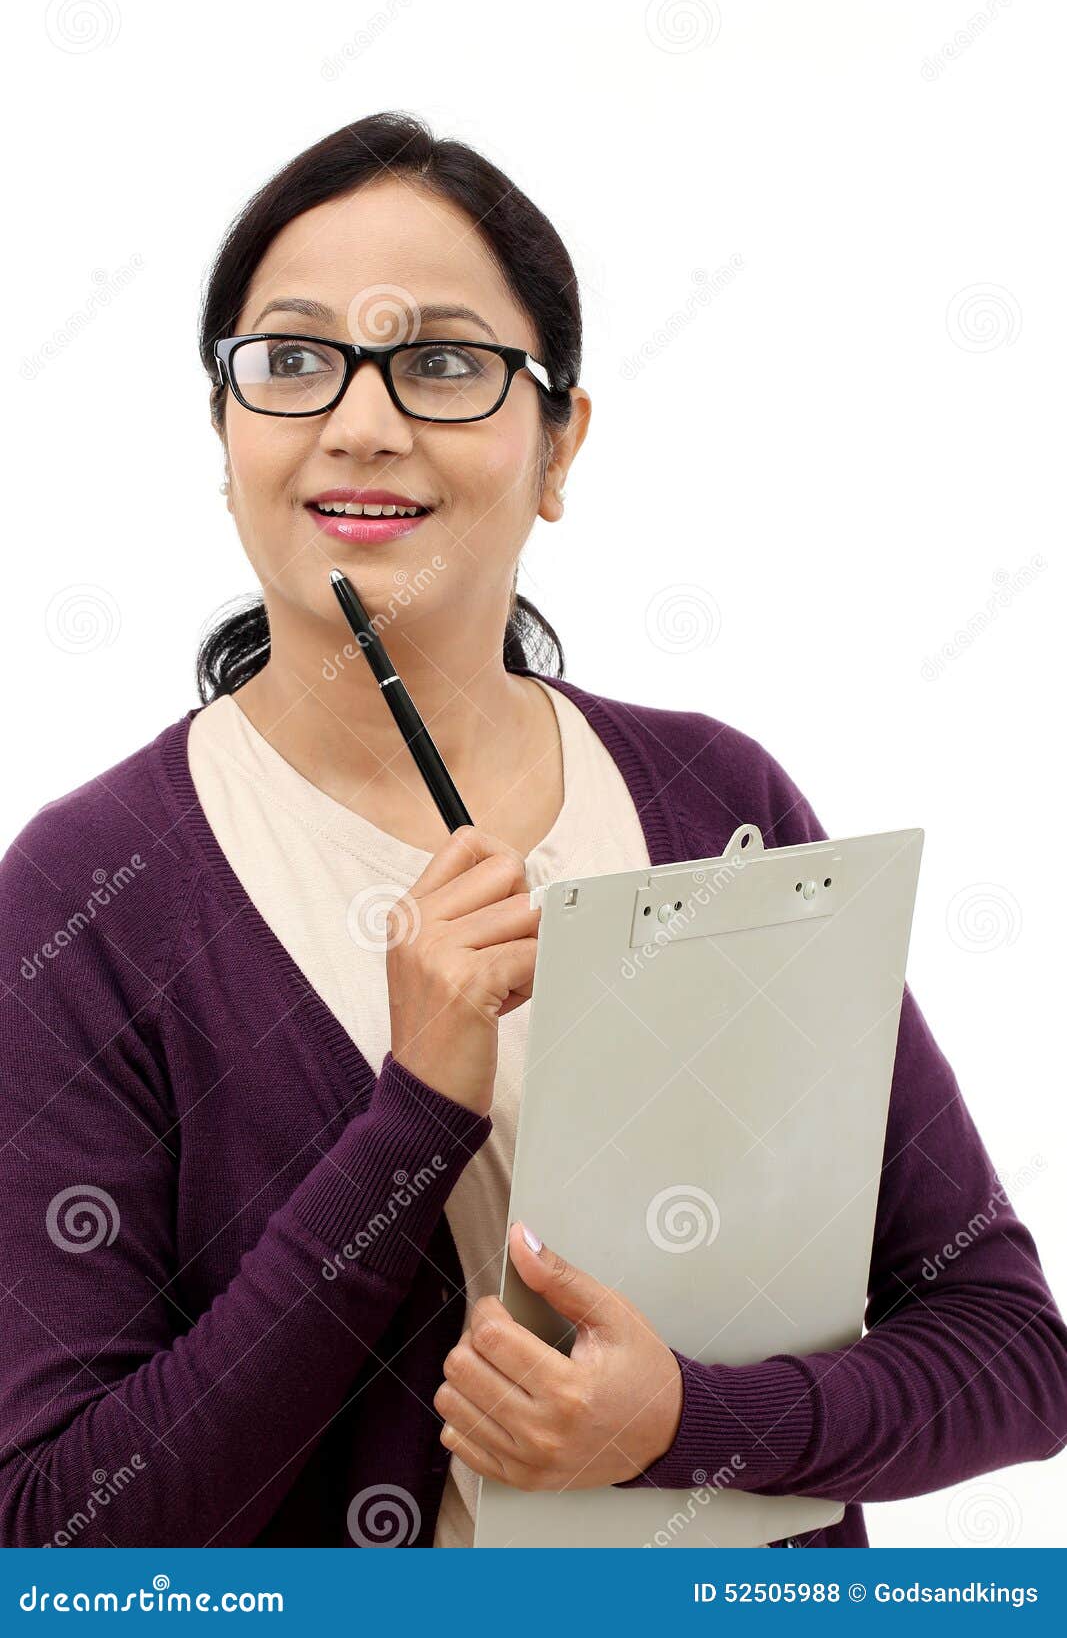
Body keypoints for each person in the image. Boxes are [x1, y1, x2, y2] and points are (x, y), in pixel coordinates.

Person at [1, 112, 1064, 1551]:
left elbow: (1009, 1352)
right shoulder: (90, 892)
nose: (359, 421)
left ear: (560, 443)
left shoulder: (718, 808)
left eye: (444, 362)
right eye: (294, 360)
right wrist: (412, 1116)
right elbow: (59, 1532)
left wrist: (681, 1423)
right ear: (226, 436)